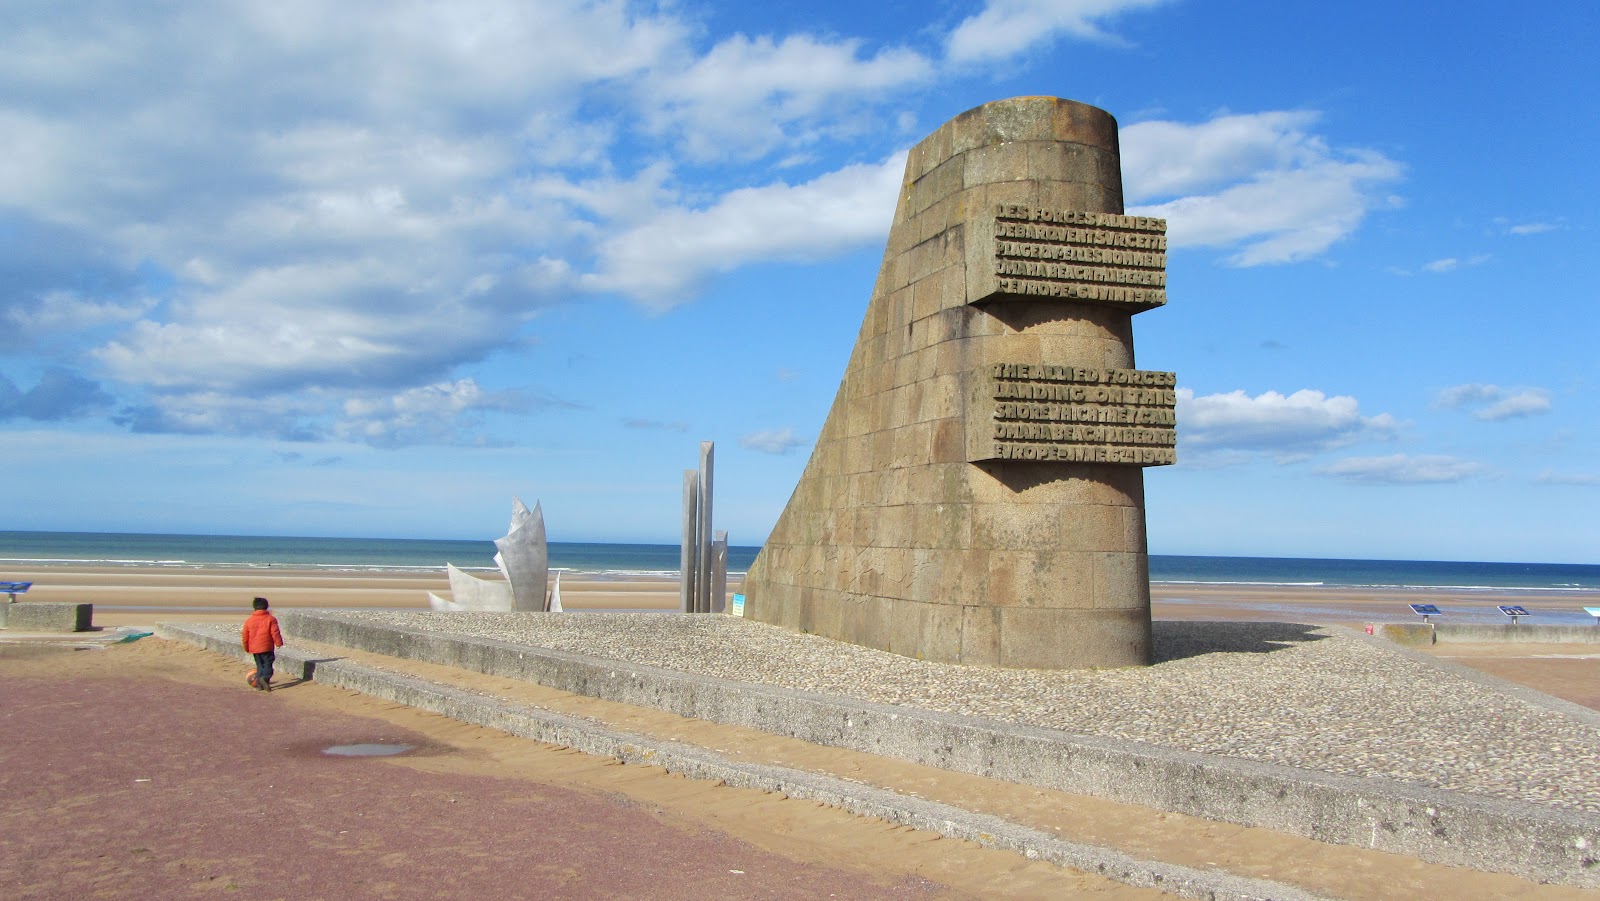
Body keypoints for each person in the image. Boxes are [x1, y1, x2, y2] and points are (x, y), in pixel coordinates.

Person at [241, 596, 285, 691]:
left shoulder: (249, 620)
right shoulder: (271, 619)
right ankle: (265, 678)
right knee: (268, 664)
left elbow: (245, 635)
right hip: (266, 647)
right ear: (267, 607)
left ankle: (260, 685)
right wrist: (279, 643)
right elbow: (275, 632)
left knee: (260, 665)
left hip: (254, 648)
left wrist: (246, 647)